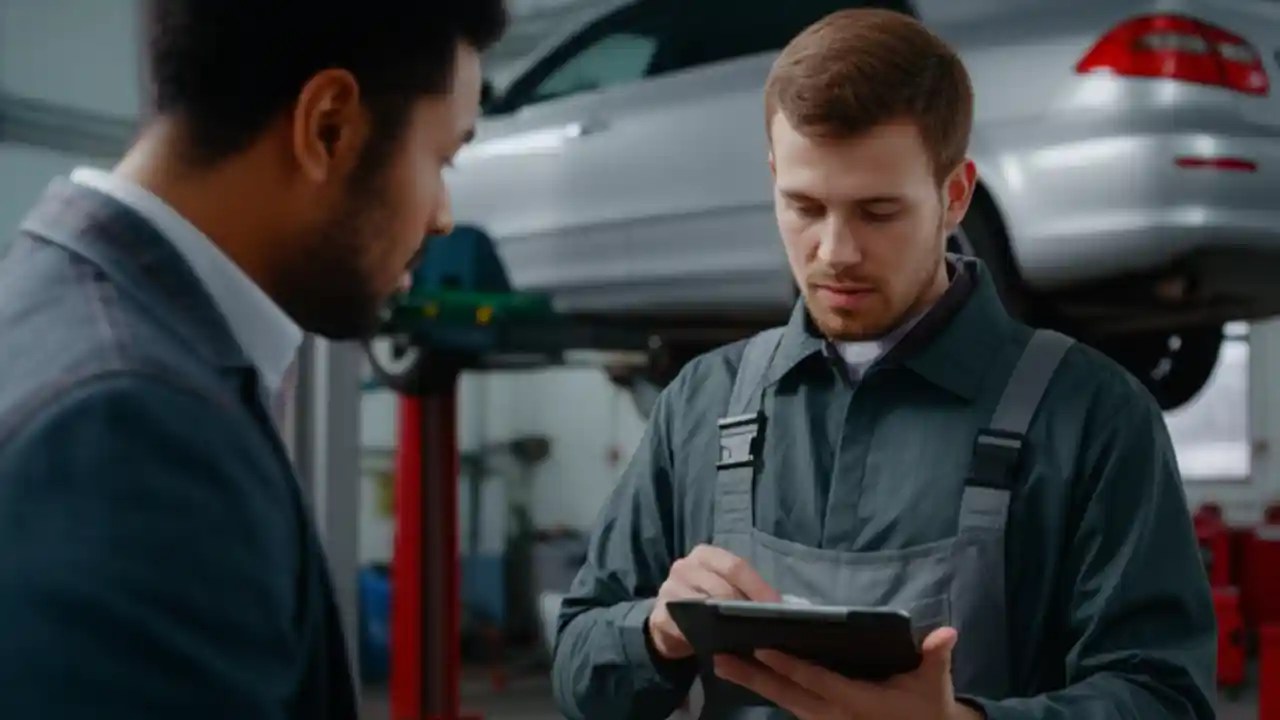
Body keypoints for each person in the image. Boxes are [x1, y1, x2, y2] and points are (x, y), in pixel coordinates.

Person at [552, 9, 1215, 720]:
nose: (835, 251)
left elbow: (1165, 698)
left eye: (877, 212)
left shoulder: (1091, 417)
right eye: (804, 206)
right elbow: (578, 674)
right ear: (774, 176)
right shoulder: (702, 407)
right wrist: (654, 631)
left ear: (954, 194)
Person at [0, 2, 506, 718]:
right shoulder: (130, 428)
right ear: (329, 126)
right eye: (441, 159)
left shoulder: (64, 321)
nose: (443, 215)